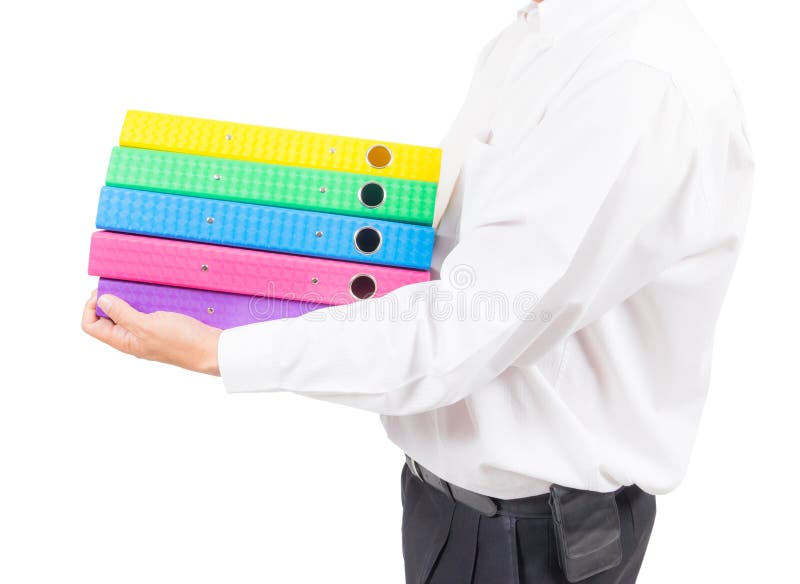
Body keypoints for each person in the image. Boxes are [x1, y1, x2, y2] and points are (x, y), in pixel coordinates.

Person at [81, 0, 754, 581]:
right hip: (451, 506)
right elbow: (456, 261)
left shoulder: (632, 80)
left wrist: (224, 351)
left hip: (535, 540)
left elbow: (466, 326)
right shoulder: (535, 33)